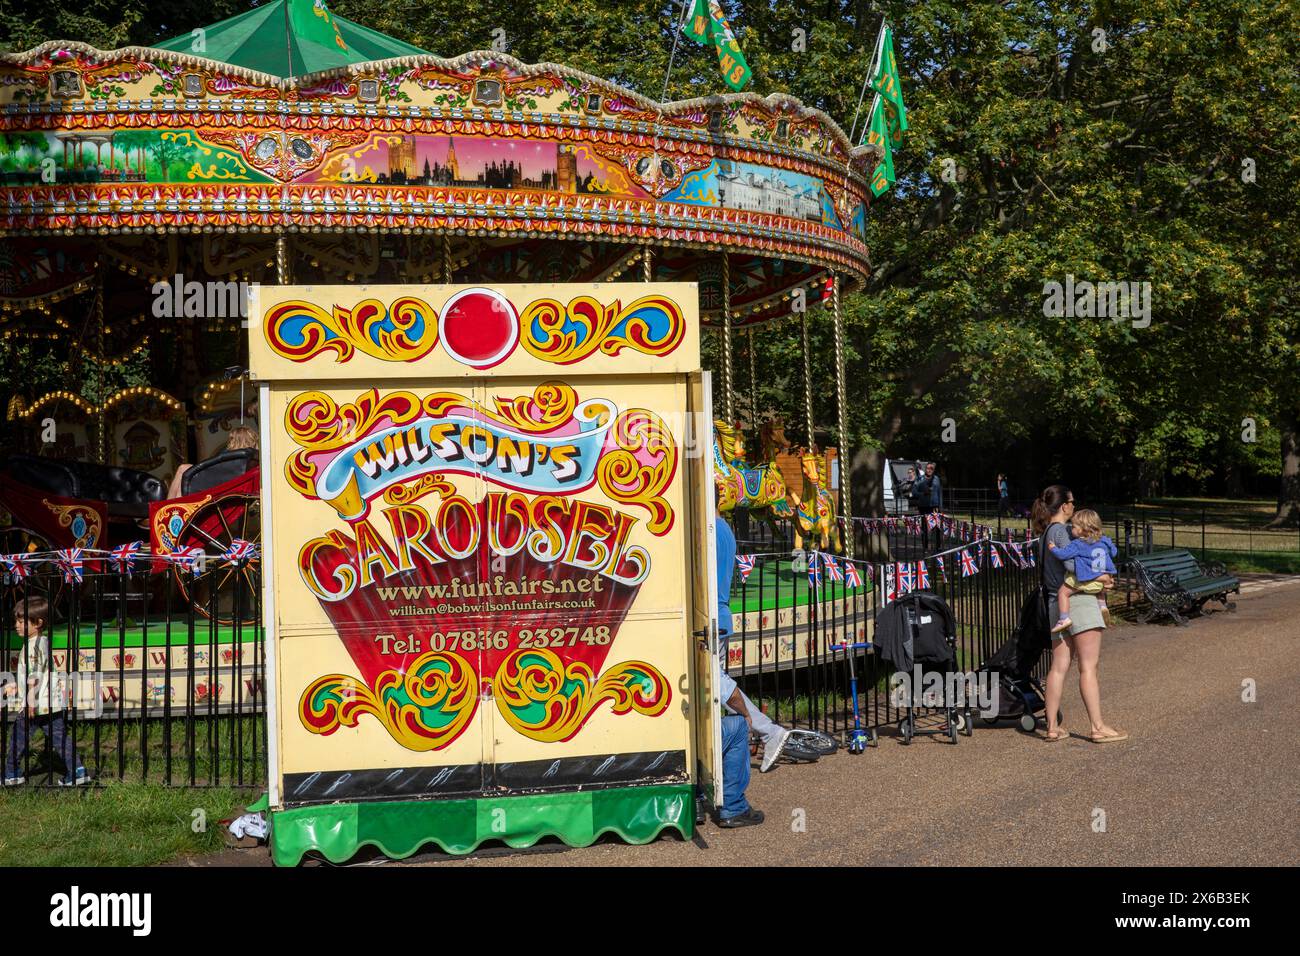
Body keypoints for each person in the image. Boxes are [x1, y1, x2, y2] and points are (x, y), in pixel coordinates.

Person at [1032, 485, 1127, 745]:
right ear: (1064, 506)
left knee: (1059, 667)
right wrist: (1103, 577)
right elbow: (1077, 566)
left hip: (1056, 604)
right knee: (1088, 667)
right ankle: (1097, 727)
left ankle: (1051, 727)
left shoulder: (1044, 534)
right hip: (1079, 602)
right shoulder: (1062, 532)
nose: (1074, 506)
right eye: (1072, 502)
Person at [715, 516, 790, 775]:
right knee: (714, 683)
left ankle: (766, 730)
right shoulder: (725, 527)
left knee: (716, 682)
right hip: (719, 613)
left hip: (712, 615)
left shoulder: (710, 528)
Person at [3, 596, 90, 786]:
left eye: (21, 621)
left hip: (36, 704)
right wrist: (17, 685)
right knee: (60, 739)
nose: (16, 625)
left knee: (18, 738)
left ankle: (11, 773)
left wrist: (30, 702)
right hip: (50, 702)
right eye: (16, 621)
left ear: (38, 623)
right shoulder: (42, 641)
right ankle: (77, 771)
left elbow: (34, 676)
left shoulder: (33, 646)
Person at [1049, 509, 1118, 633]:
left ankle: (1064, 618)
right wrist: (1109, 543)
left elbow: (1063, 555)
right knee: (1099, 585)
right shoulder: (1104, 541)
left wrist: (1053, 548)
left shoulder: (1078, 544)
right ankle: (1102, 605)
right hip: (1101, 584)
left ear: (1083, 529)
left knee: (1062, 593)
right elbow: (1114, 552)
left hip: (1085, 581)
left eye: (1074, 526)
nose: (1071, 528)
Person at [167, 424, 258, 499]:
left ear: (233, 440)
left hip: (217, 487)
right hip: (233, 487)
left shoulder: (230, 456)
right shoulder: (252, 458)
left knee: (183, 468)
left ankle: (169, 503)